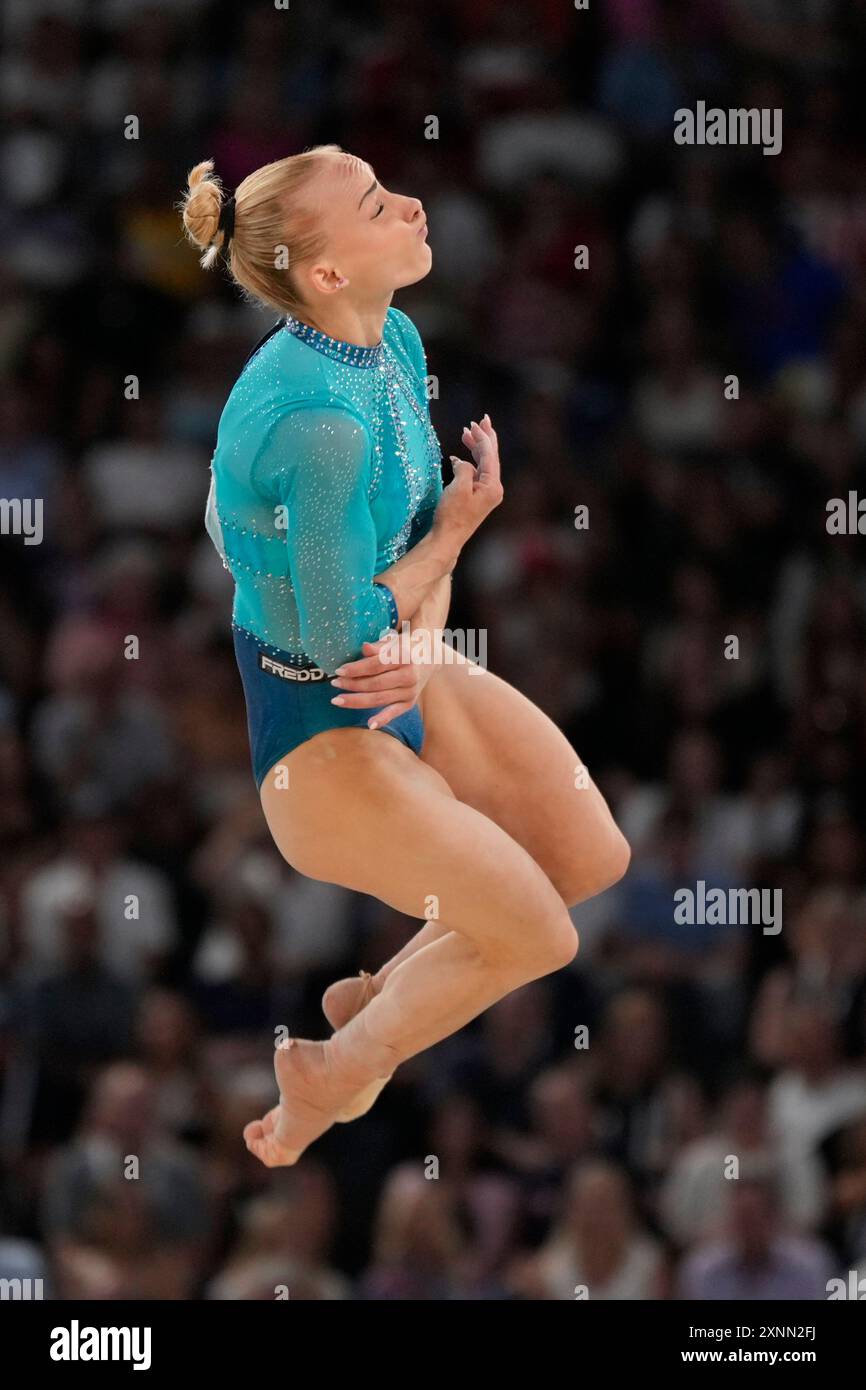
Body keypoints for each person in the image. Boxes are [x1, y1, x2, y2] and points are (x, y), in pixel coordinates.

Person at [180, 144, 630, 1167]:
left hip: (396, 662)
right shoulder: (318, 426)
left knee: (588, 860)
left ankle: (378, 992)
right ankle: (341, 1065)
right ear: (325, 274)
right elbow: (347, 626)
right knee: (535, 938)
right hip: (318, 735)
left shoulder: (393, 341)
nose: (414, 204)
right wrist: (457, 541)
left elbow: (411, 554)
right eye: (379, 205)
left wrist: (422, 638)